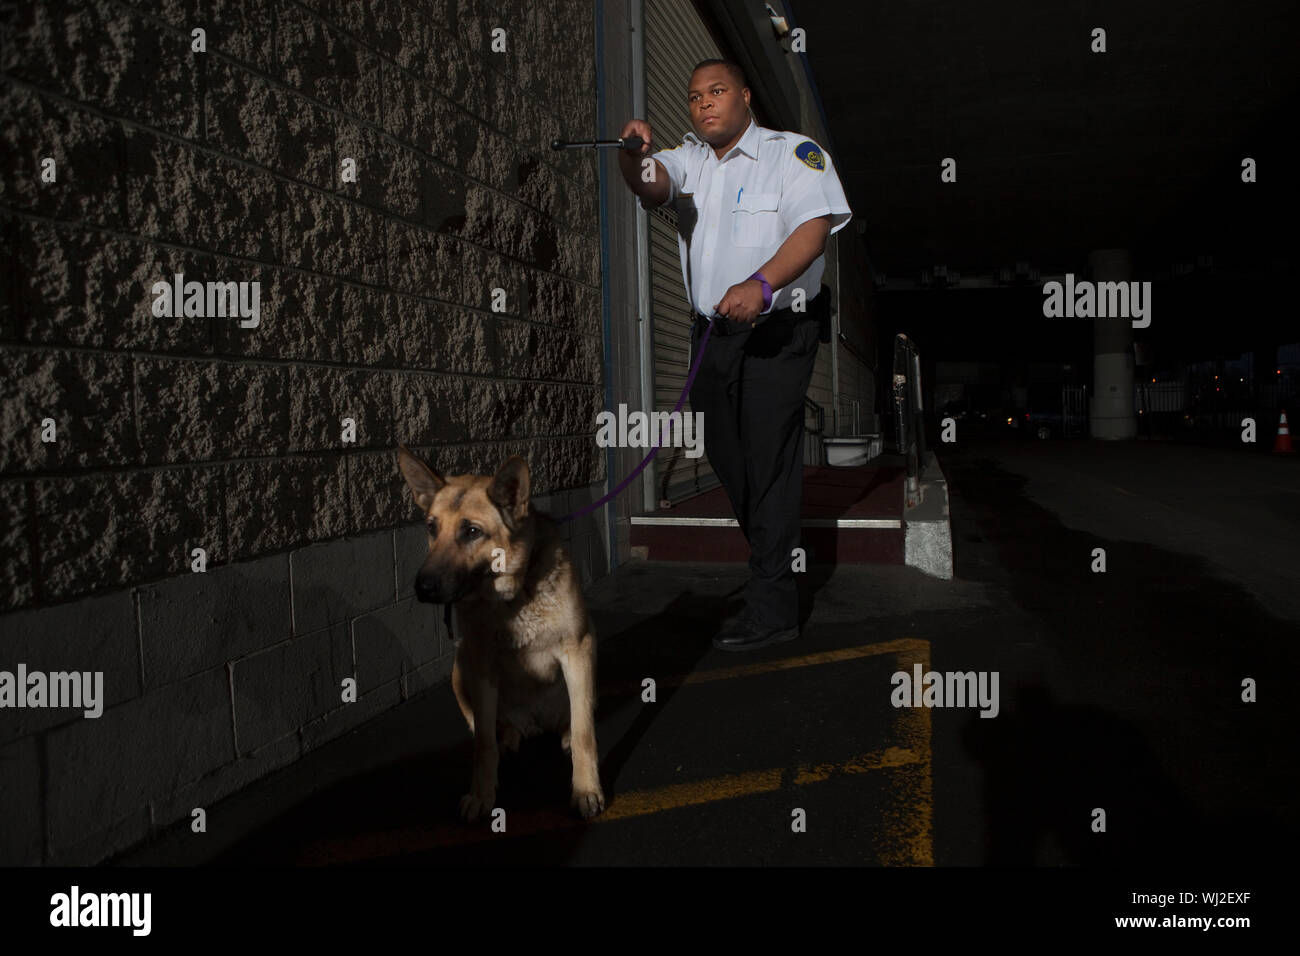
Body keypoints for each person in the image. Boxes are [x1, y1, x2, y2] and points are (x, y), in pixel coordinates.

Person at [617, 58, 853, 651]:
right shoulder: (689, 159)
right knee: (730, 458)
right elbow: (650, 183)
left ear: (745, 96)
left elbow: (814, 228)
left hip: (778, 334)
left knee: (769, 465)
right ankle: (777, 554)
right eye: (694, 96)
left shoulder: (791, 154)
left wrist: (764, 284)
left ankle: (772, 608)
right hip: (712, 338)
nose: (704, 104)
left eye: (717, 91)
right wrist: (631, 151)